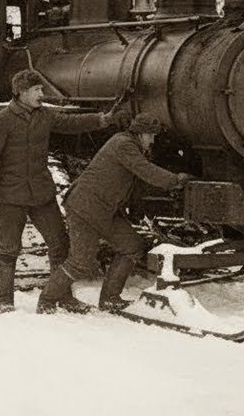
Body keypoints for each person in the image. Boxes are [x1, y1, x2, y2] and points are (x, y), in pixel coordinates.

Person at [0, 69, 130, 313]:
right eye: (37, 90)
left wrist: (104, 119)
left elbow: (72, 123)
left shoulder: (44, 115)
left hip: (41, 195)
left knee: (60, 245)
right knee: (9, 249)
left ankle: (62, 297)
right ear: (21, 92)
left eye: (41, 89)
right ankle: (5, 301)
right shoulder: (2, 120)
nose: (42, 94)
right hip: (11, 196)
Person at [37, 113, 189, 313]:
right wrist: (175, 180)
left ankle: (110, 298)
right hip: (86, 208)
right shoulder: (124, 144)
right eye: (151, 135)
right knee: (81, 262)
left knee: (131, 246)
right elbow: (145, 170)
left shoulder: (128, 144)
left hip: (105, 210)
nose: (152, 140)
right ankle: (47, 299)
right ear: (140, 133)